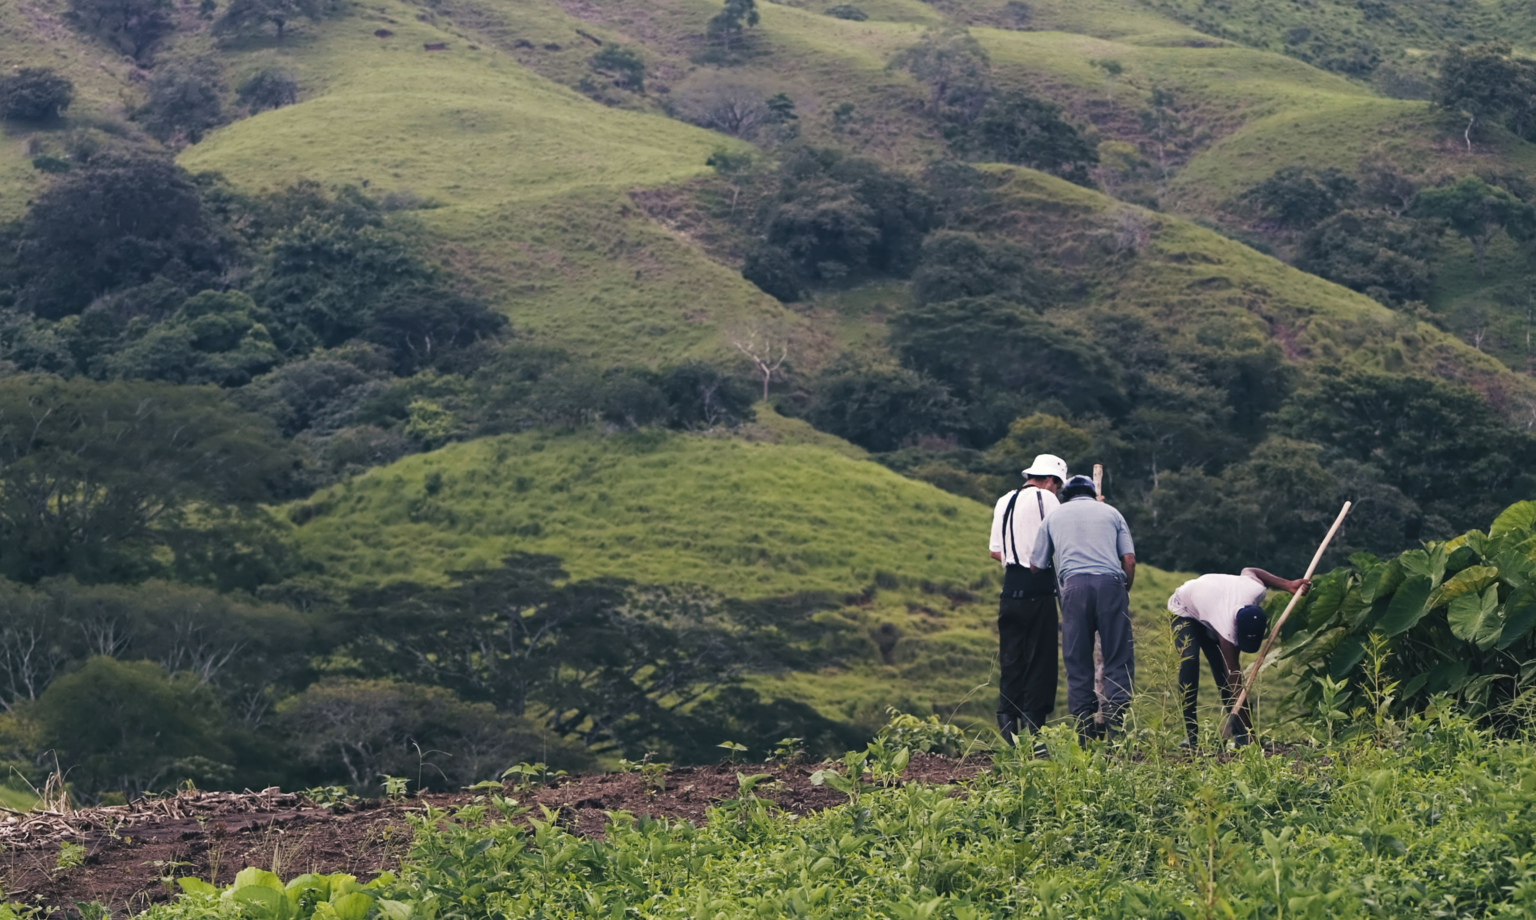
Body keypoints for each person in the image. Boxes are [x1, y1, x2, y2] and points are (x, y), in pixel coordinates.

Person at [1029, 474, 1135, 743]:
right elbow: (1129, 560)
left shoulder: (1054, 518)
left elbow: (1036, 565)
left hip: (1074, 589)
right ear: (1092, 493)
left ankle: (1084, 734)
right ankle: (1115, 732)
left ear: (1066, 495)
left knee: (1077, 661)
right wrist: (1125, 590)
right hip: (1111, 585)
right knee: (1118, 658)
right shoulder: (1112, 513)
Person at [1167, 568, 1309, 747]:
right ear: (1236, 629)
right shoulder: (1226, 630)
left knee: (1221, 672)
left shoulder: (1256, 590)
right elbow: (1235, 681)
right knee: (1190, 661)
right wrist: (1252, 734)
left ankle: (1241, 737)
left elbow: (1249, 570)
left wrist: (1288, 585)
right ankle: (1191, 736)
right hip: (1185, 608)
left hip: (1211, 604)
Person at [988, 454, 1067, 745]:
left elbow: (995, 551)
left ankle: (1009, 737)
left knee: (1012, 661)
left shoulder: (1004, 501)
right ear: (1050, 480)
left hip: (1009, 591)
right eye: (1057, 485)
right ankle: (1034, 739)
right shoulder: (1047, 500)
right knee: (1041, 663)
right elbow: (1061, 542)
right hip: (1039, 589)